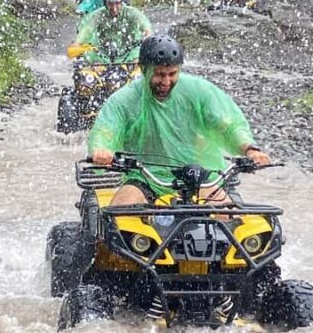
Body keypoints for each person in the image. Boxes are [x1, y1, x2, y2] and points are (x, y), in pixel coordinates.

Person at [88, 34, 270, 205]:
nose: (166, 82)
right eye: (159, 74)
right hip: (145, 180)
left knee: (229, 219)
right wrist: (102, 150)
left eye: (172, 74)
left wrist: (249, 149)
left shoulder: (200, 91)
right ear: (143, 69)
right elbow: (106, 129)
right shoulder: (124, 100)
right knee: (120, 214)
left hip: (200, 179)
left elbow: (227, 125)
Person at [73, 0, 152, 63]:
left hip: (130, 52)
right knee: (86, 55)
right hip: (103, 54)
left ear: (122, 2)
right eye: (110, 4)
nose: (114, 9)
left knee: (139, 55)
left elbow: (144, 24)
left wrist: (147, 36)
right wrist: (77, 43)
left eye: (117, 3)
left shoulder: (131, 12)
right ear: (105, 4)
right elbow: (87, 30)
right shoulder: (98, 14)